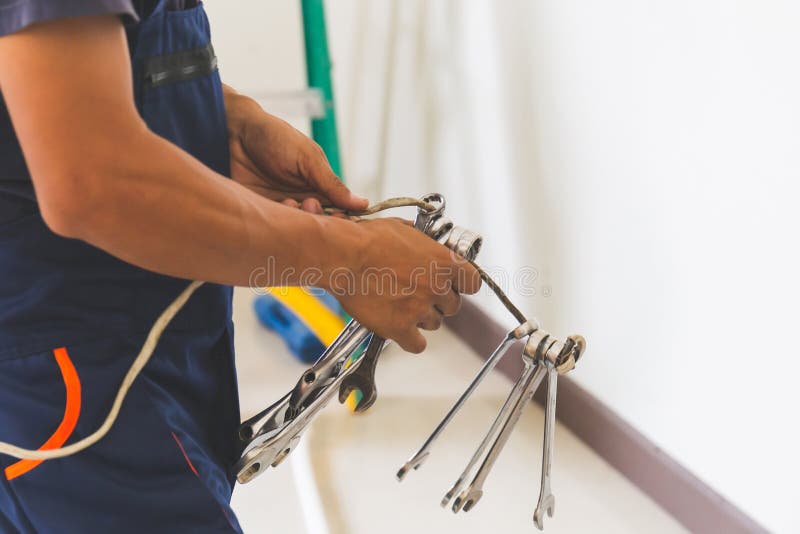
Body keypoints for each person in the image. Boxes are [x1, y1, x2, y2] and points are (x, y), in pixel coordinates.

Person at [0, 1, 480, 532]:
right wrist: (349, 259)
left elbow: (59, 70)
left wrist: (213, 119)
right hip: (73, 379)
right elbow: (92, 184)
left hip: (138, 349)